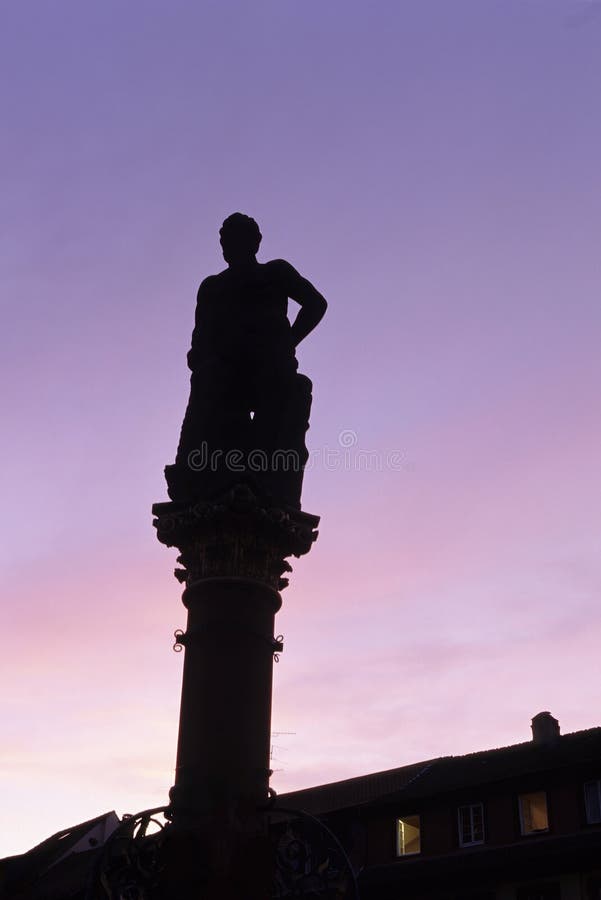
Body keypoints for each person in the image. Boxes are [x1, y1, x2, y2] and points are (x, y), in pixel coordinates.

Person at [166, 213, 327, 508]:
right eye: (224, 241)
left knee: (283, 394)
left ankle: (266, 481)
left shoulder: (275, 273)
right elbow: (198, 342)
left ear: (255, 242)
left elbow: (316, 304)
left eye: (234, 239)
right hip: (228, 373)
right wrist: (207, 357)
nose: (227, 246)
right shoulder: (212, 287)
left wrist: (288, 342)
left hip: (270, 368)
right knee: (205, 381)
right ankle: (190, 470)